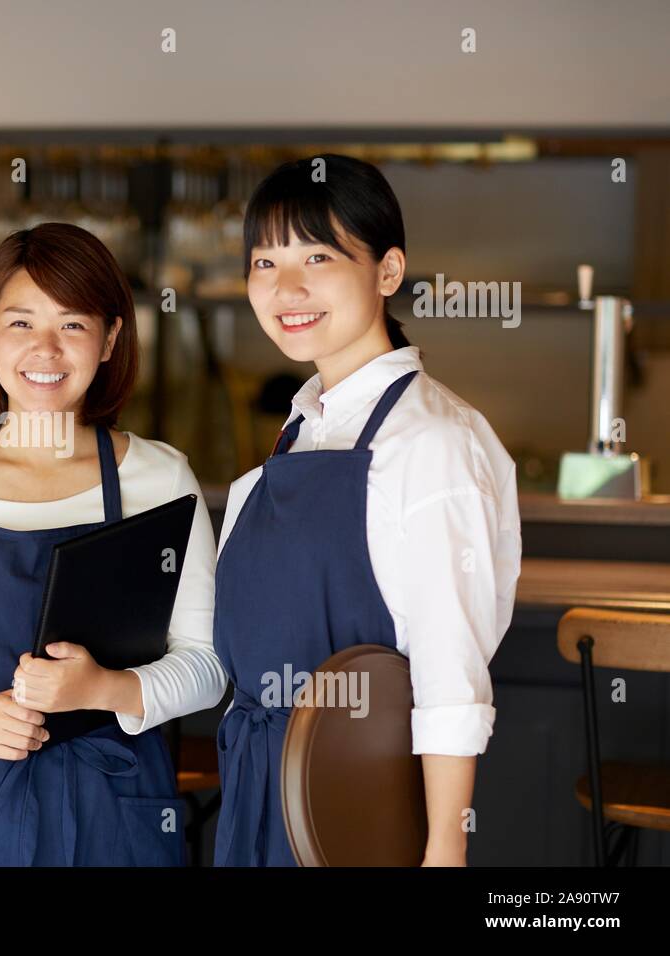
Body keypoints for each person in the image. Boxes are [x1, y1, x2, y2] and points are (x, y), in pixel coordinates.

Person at [0, 222, 225, 866]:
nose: (46, 350)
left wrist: (104, 689)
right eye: (22, 323)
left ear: (111, 337)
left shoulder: (161, 477)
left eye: (73, 325)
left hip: (119, 809)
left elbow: (207, 665)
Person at [211, 154, 522, 867]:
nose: (286, 288)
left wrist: (444, 847)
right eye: (265, 263)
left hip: (359, 807)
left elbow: (449, 674)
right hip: (261, 797)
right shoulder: (301, 431)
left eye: (318, 256)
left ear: (387, 272)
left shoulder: (434, 441)